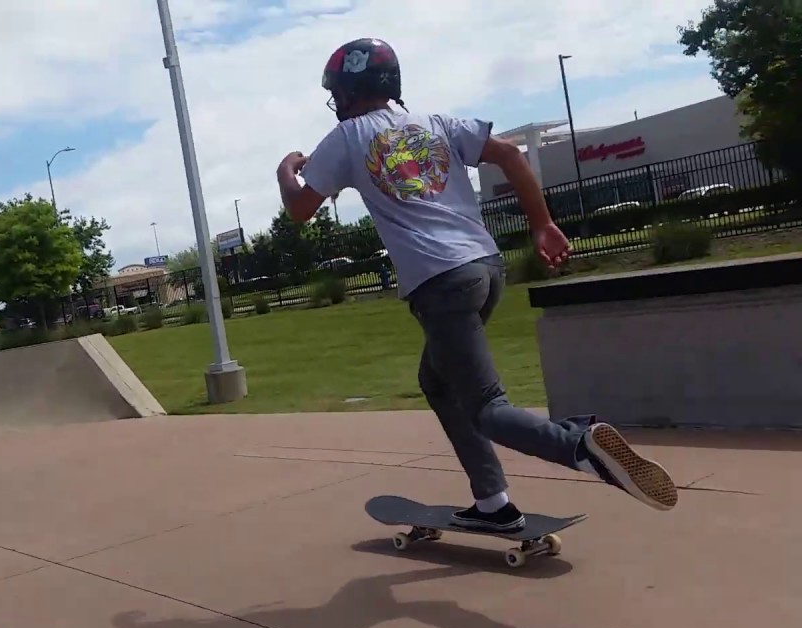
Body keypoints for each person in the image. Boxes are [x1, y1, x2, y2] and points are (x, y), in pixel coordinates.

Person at [276, 38, 677, 532]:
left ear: (346, 90)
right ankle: (492, 502)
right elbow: (508, 153)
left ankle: (579, 445)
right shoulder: (439, 124)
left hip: (440, 282)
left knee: (487, 407)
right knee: (438, 381)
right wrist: (542, 224)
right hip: (485, 269)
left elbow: (299, 209)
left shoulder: (346, 139)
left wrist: (287, 172)